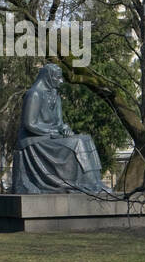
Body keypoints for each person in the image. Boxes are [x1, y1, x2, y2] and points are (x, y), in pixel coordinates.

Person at [11, 64, 108, 193]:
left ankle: (95, 182)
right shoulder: (34, 94)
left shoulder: (55, 95)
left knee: (85, 139)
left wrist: (64, 128)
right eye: (58, 78)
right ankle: (88, 183)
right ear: (48, 77)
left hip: (51, 136)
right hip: (33, 140)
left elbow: (59, 122)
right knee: (77, 143)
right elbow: (30, 124)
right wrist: (53, 132)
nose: (61, 81)